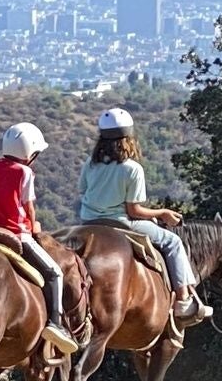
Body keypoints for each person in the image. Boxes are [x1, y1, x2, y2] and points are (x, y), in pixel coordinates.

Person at [75, 105, 210, 326]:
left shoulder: (91, 165)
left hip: (88, 223)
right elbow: (134, 211)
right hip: (119, 223)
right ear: (128, 138)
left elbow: (82, 191)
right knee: (172, 242)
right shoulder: (132, 169)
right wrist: (164, 213)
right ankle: (184, 300)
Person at [0, 123, 81, 356]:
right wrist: (35, 226)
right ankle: (55, 323)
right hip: (14, 232)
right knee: (54, 273)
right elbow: (28, 206)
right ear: (30, 153)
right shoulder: (25, 173)